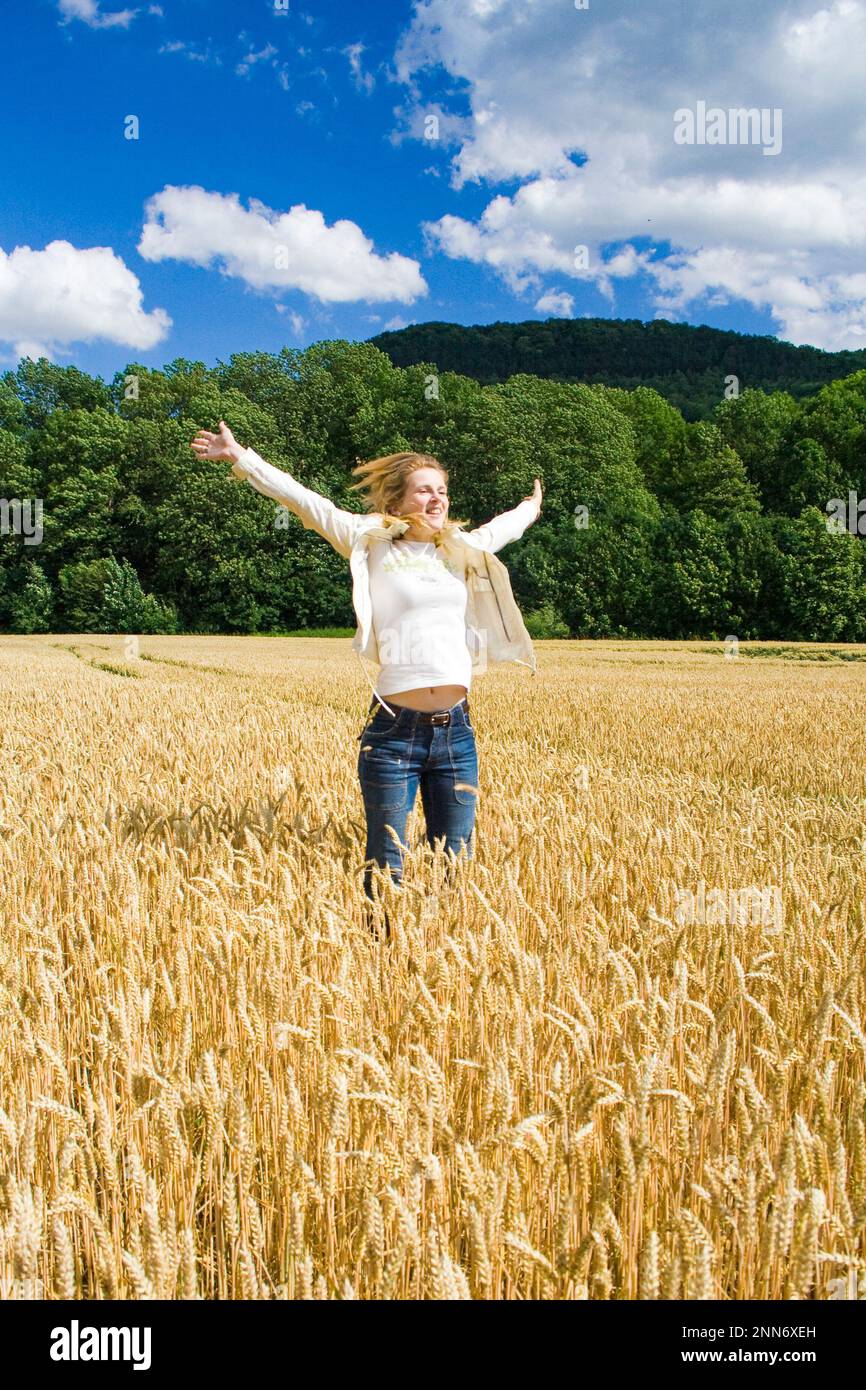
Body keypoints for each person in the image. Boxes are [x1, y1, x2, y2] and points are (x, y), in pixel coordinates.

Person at [190, 421, 543, 936]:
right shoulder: (369, 540)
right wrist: (241, 457)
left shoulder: (460, 549)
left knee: (457, 865)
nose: (437, 498)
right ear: (398, 499)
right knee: (386, 864)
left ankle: (443, 959)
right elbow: (304, 501)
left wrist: (532, 507)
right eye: (425, 489)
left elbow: (503, 529)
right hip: (393, 737)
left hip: (456, 736)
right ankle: (382, 957)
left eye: (443, 490)